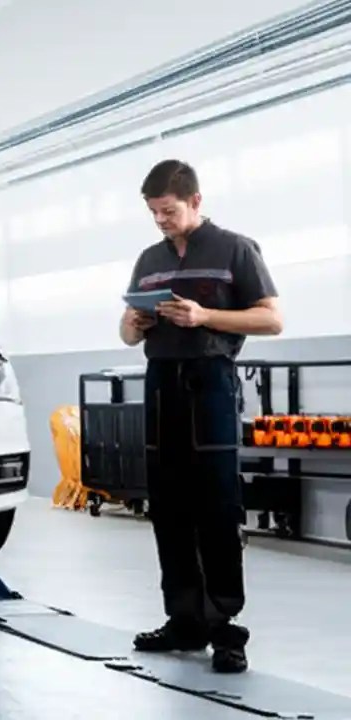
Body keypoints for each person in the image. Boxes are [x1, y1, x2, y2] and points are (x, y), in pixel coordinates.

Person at [119, 159, 282, 674]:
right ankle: (183, 619)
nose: (160, 221)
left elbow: (272, 318)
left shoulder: (236, 248)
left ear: (195, 201)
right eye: (153, 212)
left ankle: (225, 628)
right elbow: (126, 335)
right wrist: (134, 321)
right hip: (161, 384)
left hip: (210, 382)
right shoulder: (148, 258)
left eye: (167, 210)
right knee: (167, 506)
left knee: (215, 504)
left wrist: (204, 316)